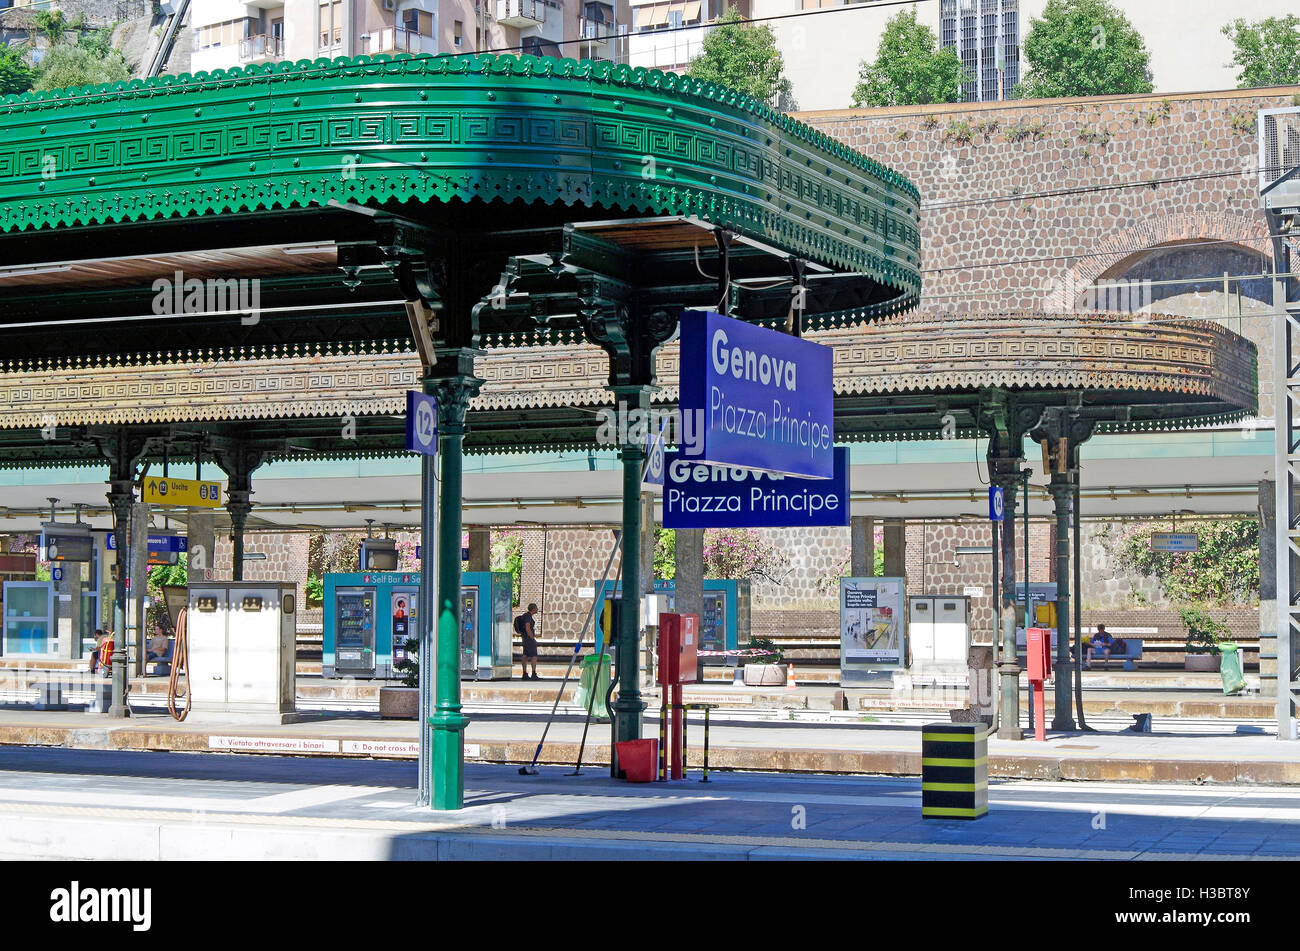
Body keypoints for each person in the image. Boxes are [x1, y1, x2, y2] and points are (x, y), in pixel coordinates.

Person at [514, 603, 540, 680]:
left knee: (525, 655)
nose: (537, 609)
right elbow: (527, 627)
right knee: (534, 656)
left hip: (525, 638)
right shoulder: (528, 616)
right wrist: (532, 637)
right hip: (529, 638)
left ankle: (525, 673)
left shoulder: (525, 615)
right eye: (536, 608)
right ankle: (533, 673)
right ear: (533, 609)